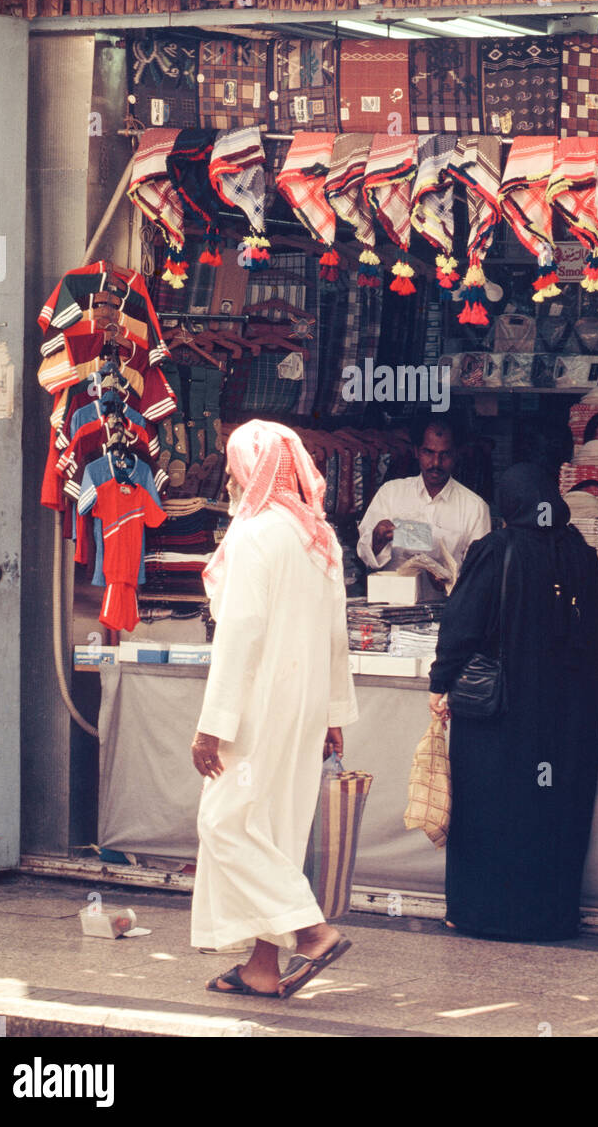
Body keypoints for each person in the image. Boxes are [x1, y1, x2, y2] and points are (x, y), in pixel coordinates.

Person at [190, 419, 358, 999]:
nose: (232, 476)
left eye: (236, 466)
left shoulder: (256, 535)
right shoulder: (321, 537)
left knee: (223, 822)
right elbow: (337, 636)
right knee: (276, 830)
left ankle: (310, 932)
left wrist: (212, 727)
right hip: (306, 707)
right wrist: (333, 713)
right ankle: (261, 968)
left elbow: (239, 636)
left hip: (258, 707)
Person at [428, 462, 598, 942]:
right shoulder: (579, 552)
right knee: (555, 809)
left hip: (502, 715)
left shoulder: (496, 550)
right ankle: (549, 917)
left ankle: (480, 913)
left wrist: (440, 682)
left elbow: (461, 625)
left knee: (489, 808)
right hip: (568, 713)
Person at [357, 416, 490, 586]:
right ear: (416, 451)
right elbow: (365, 556)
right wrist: (377, 541)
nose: (436, 463)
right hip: (392, 601)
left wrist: (450, 580)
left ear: (456, 454)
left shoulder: (475, 508)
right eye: (429, 452)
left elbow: (478, 575)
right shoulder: (390, 493)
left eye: (445, 454)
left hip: (446, 607)